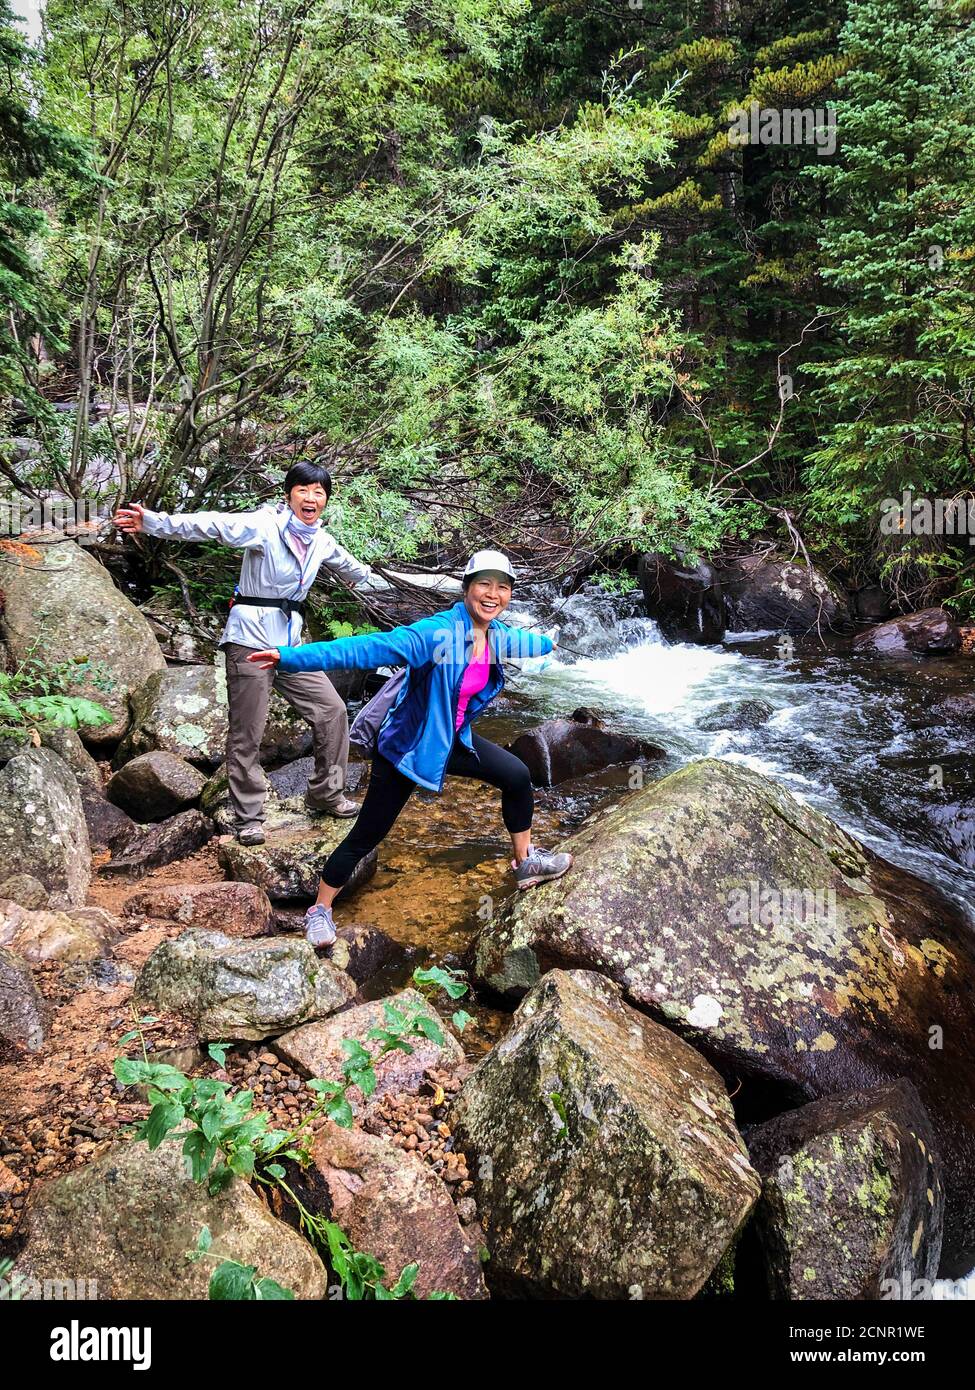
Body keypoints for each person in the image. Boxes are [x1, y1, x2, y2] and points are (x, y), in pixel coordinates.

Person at [247, 548, 573, 947]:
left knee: (517, 775)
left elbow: (526, 641)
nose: (493, 594)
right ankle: (320, 909)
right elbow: (369, 648)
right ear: (467, 589)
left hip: (450, 741)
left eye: (502, 588)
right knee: (369, 833)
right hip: (405, 748)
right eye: (484, 584)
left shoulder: (498, 635)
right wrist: (289, 657)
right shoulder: (437, 634)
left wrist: (547, 644)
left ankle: (525, 863)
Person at [113, 461, 388, 845]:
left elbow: (353, 569)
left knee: (333, 711)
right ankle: (249, 817)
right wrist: (154, 522)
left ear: (326, 500)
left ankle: (327, 794)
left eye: (319, 492)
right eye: (303, 490)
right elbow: (211, 524)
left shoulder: (321, 541)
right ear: (289, 494)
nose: (311, 498)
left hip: (289, 648)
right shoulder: (263, 526)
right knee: (249, 733)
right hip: (250, 641)